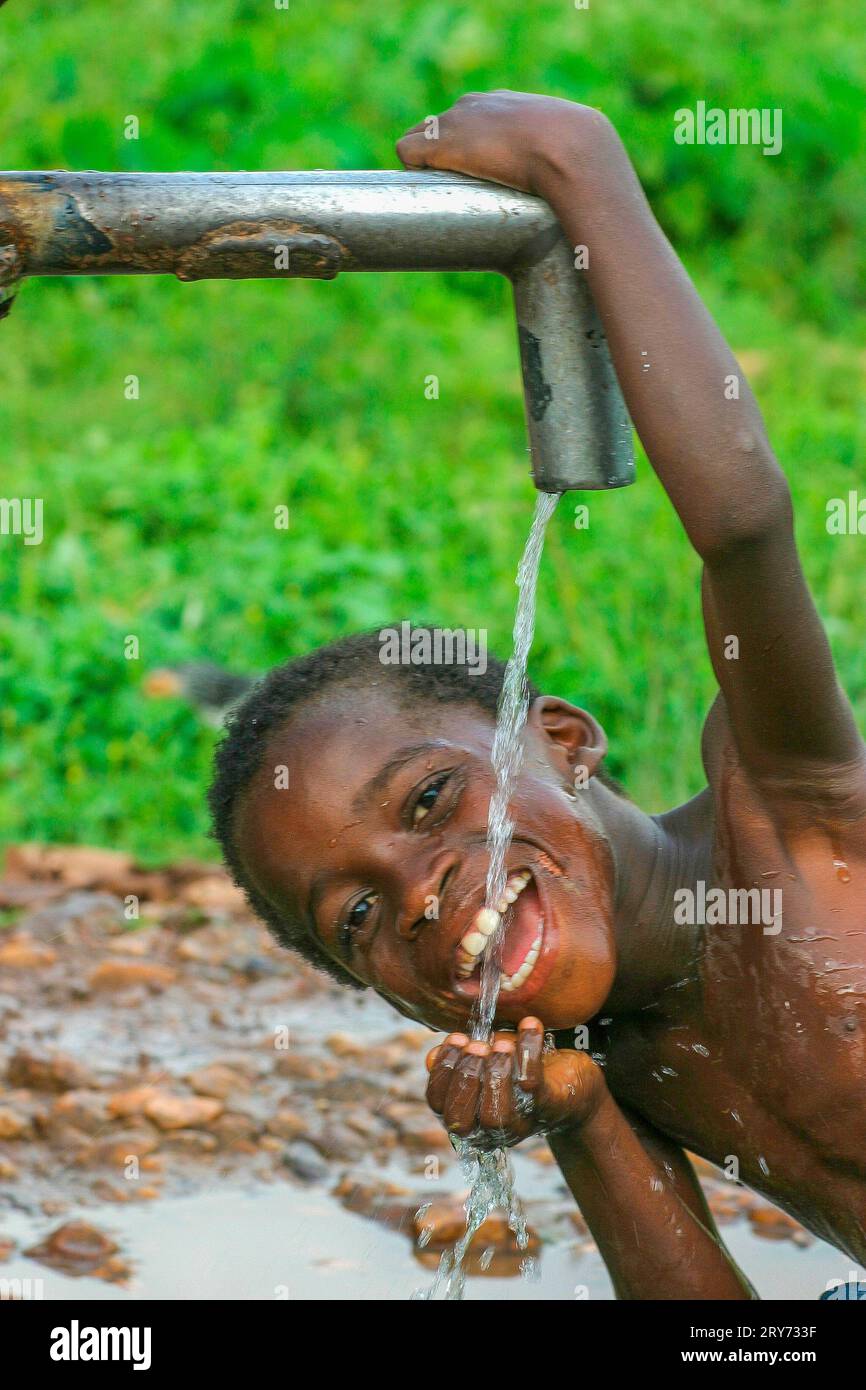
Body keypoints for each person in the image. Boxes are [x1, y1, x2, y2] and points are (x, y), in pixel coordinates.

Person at [209, 92, 866, 1298]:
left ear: (560, 738)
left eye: (429, 800)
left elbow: (741, 529)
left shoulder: (789, 817)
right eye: (354, 922)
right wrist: (575, 1117)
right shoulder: (600, 1057)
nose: (415, 899)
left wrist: (582, 172)